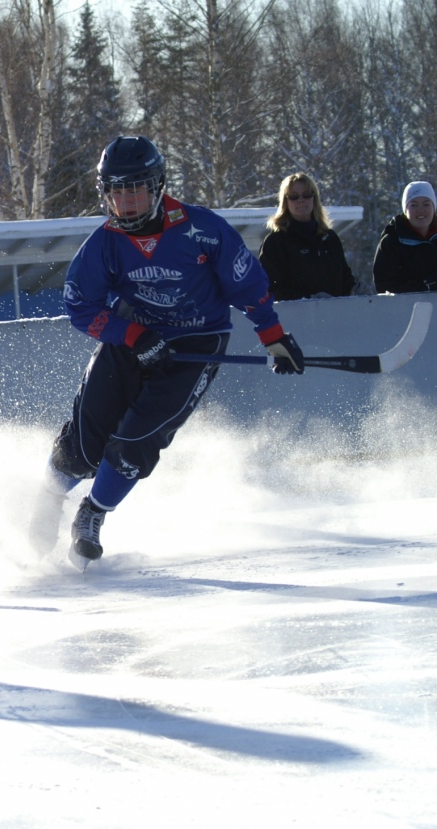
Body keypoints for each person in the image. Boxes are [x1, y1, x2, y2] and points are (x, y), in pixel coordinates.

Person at [28, 136, 305, 571]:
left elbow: (247, 284)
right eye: (116, 191)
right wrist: (134, 336)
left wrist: (272, 335)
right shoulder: (103, 244)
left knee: (135, 441)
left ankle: (93, 513)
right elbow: (81, 308)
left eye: (135, 188)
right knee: (83, 444)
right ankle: (48, 498)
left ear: (157, 186)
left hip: (198, 342)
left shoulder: (202, 229)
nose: (126, 201)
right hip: (132, 337)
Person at [258, 173, 358, 300]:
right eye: (294, 196)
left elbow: (345, 279)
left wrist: (355, 290)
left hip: (335, 314)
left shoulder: (329, 238)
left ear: (314, 198)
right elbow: (270, 290)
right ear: (285, 202)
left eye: (306, 195)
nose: (301, 200)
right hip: (297, 316)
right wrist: (310, 299)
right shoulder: (275, 243)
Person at [372, 181, 437, 294]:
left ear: (434, 207)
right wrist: (423, 287)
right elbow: (384, 287)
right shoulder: (391, 242)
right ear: (405, 209)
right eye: (414, 205)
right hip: (405, 310)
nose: (420, 210)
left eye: (426, 204)